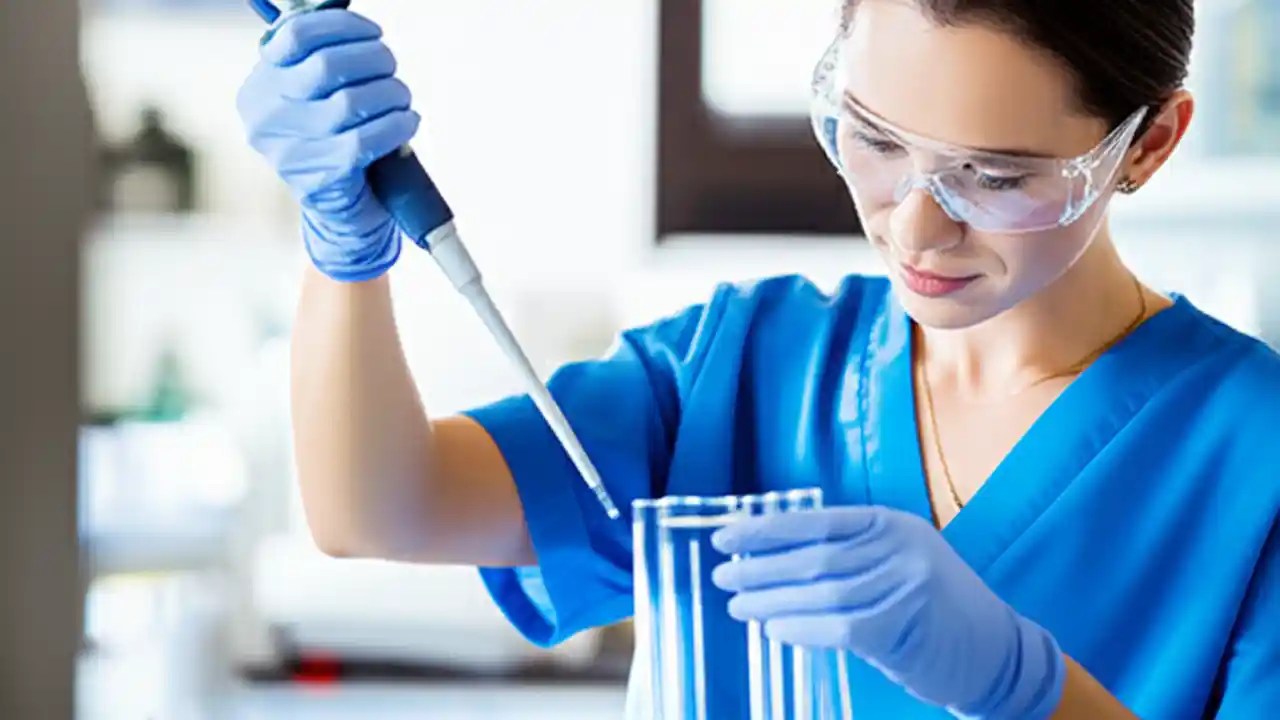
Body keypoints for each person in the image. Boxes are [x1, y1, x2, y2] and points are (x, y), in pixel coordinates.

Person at [237, 0, 1280, 717]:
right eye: (873, 138)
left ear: (1146, 144)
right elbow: (376, 508)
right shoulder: (738, 372)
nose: (914, 227)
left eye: (992, 177)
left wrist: (1024, 687)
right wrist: (341, 244)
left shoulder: (1252, 455)